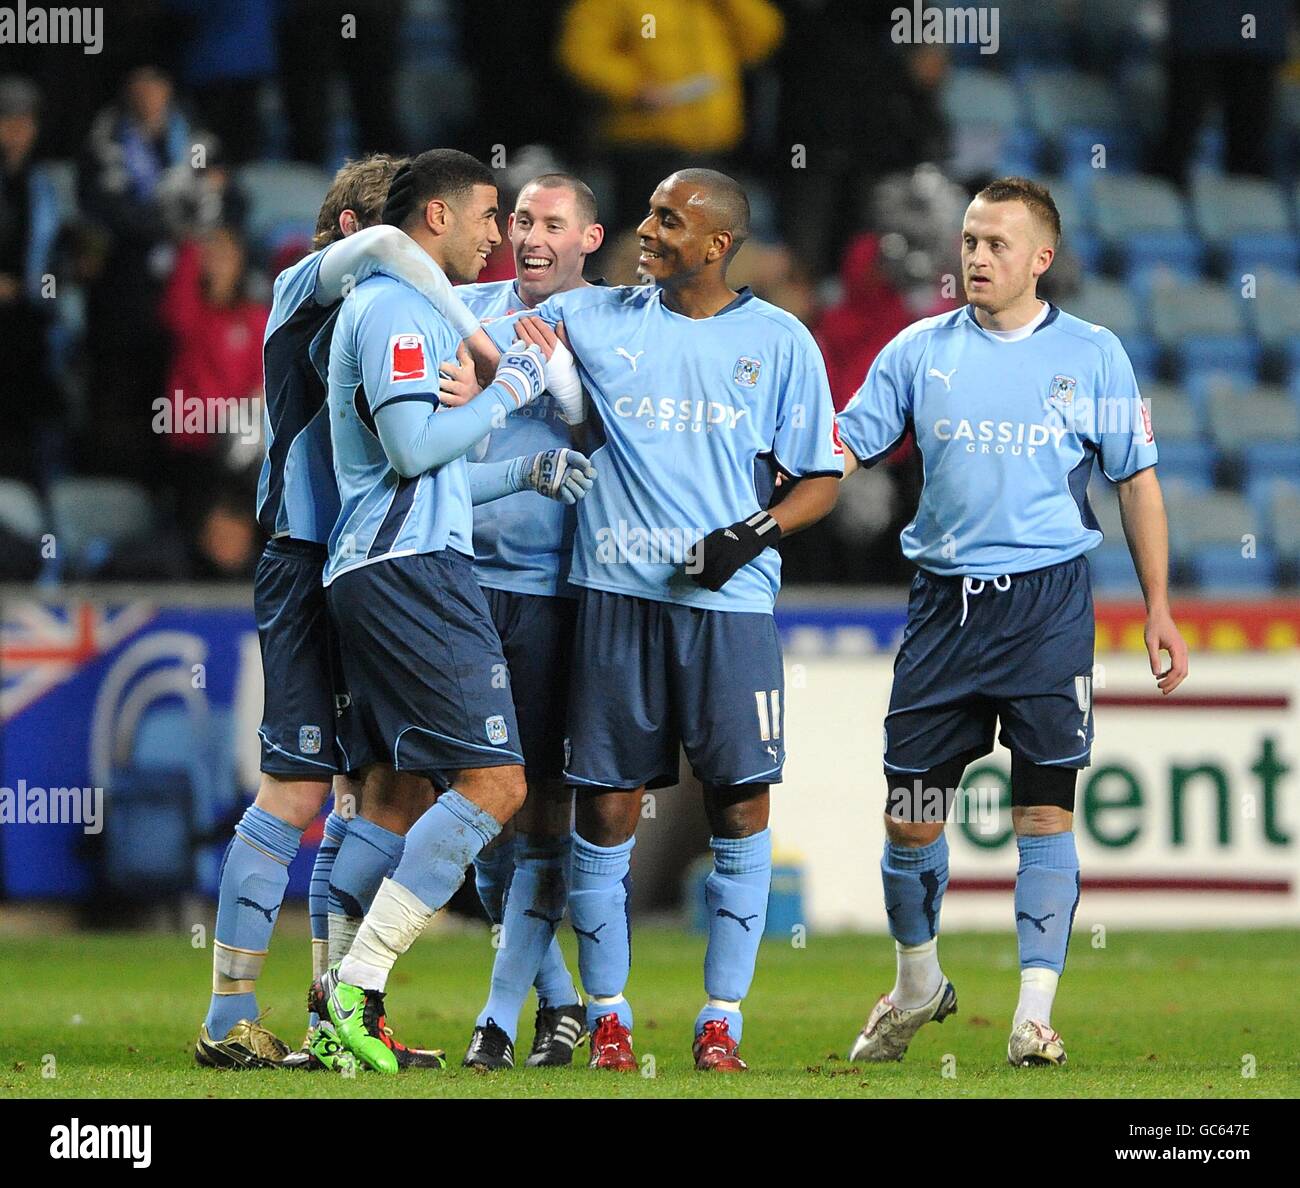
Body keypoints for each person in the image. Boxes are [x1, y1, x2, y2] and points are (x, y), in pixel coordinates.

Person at [835, 176, 1189, 1069]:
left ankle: (1035, 1014)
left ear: (1041, 258)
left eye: (997, 244)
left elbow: (1135, 480)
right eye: (969, 242)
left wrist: (1158, 608)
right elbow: (844, 445)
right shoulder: (917, 351)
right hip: (944, 608)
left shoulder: (1096, 354)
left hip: (1047, 608)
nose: (977, 257)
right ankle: (918, 983)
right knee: (911, 816)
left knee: (1044, 816)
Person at [494, 168, 841, 1071]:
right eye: (646, 214)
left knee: (740, 803)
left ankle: (720, 1018)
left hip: (728, 611)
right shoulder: (598, 317)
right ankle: (607, 1015)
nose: (644, 232)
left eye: (666, 220)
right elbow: (493, 326)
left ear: (717, 245)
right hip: (616, 598)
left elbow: (821, 478)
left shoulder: (780, 342)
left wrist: (749, 535)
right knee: (606, 807)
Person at [195, 153, 498, 1071]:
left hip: (369, 568)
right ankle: (226, 1015)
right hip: (301, 557)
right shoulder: (304, 288)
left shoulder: (388, 314)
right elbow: (386, 251)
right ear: (355, 234)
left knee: (376, 792)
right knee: (293, 790)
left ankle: (336, 1012)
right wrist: (486, 350)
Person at [315, 149, 594, 1075]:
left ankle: (338, 1011)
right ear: (436, 216)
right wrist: (512, 388)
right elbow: (409, 449)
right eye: (488, 215)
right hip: (411, 572)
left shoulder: (409, 305)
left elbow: (437, 468)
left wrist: (526, 465)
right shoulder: (398, 308)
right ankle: (353, 989)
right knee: (498, 787)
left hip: (392, 562)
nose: (499, 234)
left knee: (397, 795)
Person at [449, 172, 605, 1071]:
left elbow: (636, 453)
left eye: (553, 223)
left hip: (557, 593)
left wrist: (576, 404)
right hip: (459, 581)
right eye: (520, 220)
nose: (531, 236)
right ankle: (554, 1002)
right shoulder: (462, 306)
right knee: (473, 811)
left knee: (537, 810)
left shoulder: (622, 325)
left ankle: (503, 1021)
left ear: (590, 237)